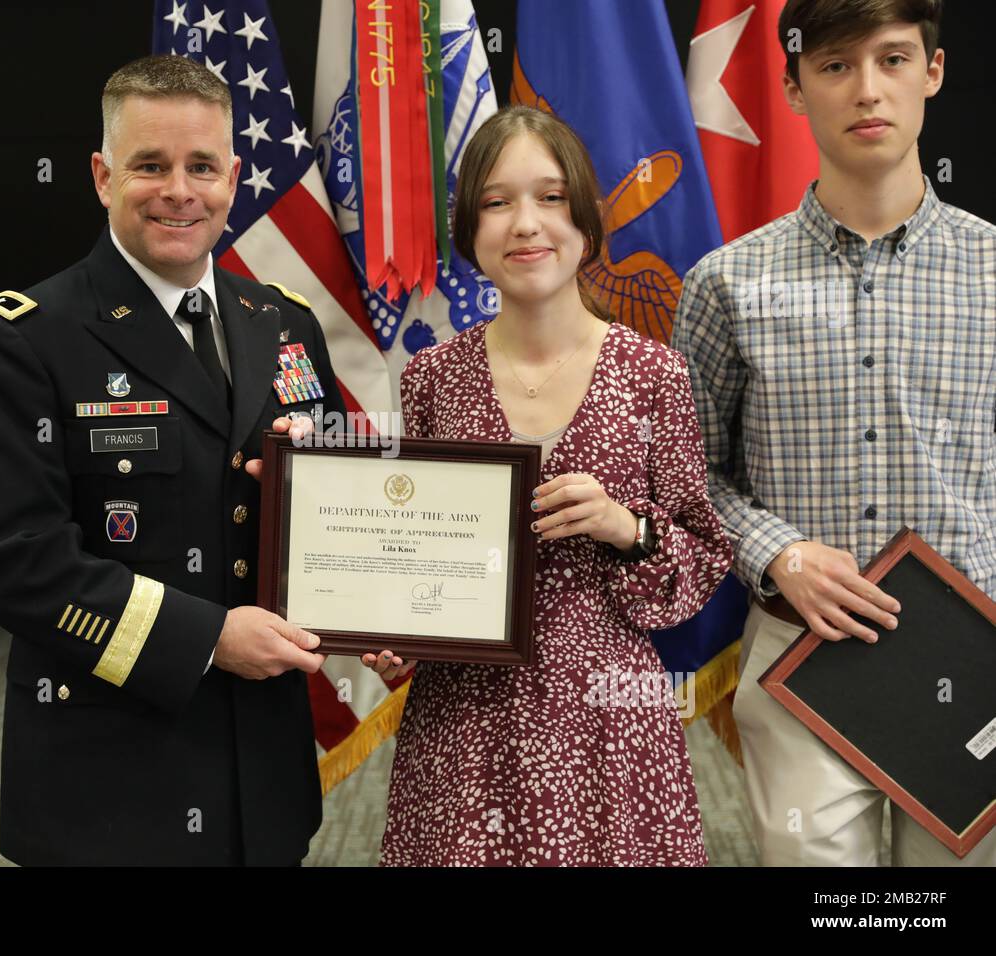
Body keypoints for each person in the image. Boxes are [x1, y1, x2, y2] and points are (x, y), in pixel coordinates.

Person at [0, 54, 347, 866]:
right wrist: (206, 639)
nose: (179, 190)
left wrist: (384, 607)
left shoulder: (286, 323)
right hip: (111, 779)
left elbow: (342, 508)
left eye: (201, 166)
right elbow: (10, 558)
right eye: (149, 166)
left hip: (262, 769)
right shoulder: (28, 337)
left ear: (233, 177)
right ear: (101, 176)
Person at [673, 0, 996, 865]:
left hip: (976, 650)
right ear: (791, 86)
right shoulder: (725, 284)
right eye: (836, 66)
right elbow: (686, 474)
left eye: (893, 61)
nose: (868, 91)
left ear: (932, 72)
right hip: (801, 652)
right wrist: (777, 553)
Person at [366, 105, 734, 866]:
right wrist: (398, 633)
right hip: (464, 725)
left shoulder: (654, 374)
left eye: (550, 197)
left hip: (610, 719)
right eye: (497, 202)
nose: (525, 223)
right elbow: (416, 555)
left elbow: (701, 550)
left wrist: (623, 526)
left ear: (587, 221)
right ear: (469, 229)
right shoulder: (431, 378)